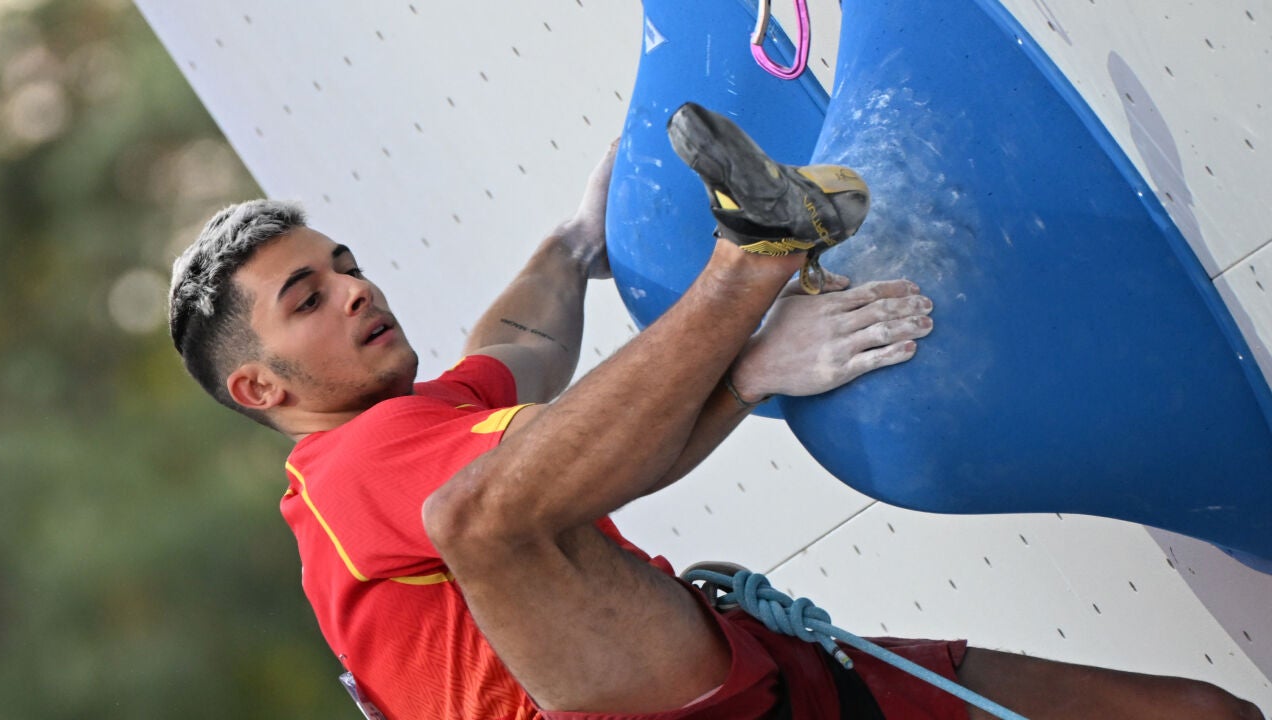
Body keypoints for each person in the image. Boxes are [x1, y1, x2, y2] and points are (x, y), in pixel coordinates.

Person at [168, 103, 1263, 720]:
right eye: (308, 299)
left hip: (756, 684)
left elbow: (516, 353)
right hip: (680, 706)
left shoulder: (417, 420)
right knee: (482, 514)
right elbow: (534, 480)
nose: (357, 290)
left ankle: (756, 259)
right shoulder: (349, 476)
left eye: (345, 265)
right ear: (259, 390)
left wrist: (571, 245)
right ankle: (757, 251)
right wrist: (745, 351)